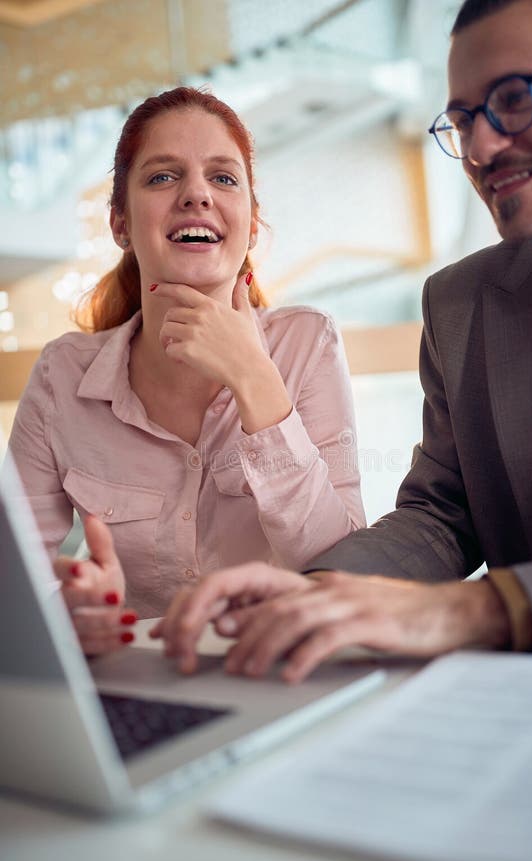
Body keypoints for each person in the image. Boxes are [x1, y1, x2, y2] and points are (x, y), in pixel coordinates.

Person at [153, 0, 532, 680]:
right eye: (462, 119)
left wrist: (477, 611)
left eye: (514, 97)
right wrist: (322, 588)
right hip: (529, 700)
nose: (479, 149)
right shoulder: (461, 301)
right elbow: (442, 515)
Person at [8, 87, 365, 656]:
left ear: (250, 225)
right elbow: (15, 580)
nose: (197, 194)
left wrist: (255, 380)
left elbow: (345, 572)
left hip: (280, 672)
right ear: (120, 224)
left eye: (223, 178)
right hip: (134, 681)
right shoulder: (62, 374)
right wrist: (65, 612)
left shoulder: (307, 342)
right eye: (162, 177)